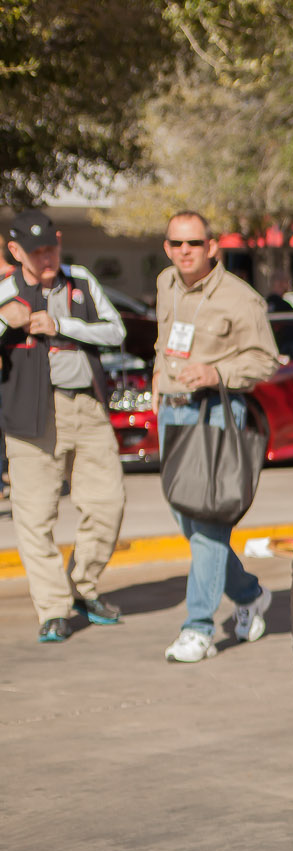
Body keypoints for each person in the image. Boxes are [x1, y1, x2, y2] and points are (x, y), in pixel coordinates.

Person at [152, 211, 278, 663]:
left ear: (212, 247)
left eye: (194, 243)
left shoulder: (240, 298)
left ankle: (198, 628)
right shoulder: (167, 283)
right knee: (187, 520)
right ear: (167, 247)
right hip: (173, 414)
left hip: (217, 413)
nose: (185, 251)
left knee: (207, 524)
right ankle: (249, 595)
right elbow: (164, 344)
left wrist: (216, 371)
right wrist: (156, 395)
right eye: (176, 243)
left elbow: (266, 360)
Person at [0, 209, 128, 643]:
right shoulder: (6, 290)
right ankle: (53, 609)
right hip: (30, 415)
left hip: (87, 408)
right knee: (35, 518)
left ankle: (82, 587)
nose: (46, 256)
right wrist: (6, 319)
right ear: (15, 251)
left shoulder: (81, 280)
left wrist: (62, 326)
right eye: (35, 251)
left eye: (50, 246)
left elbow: (116, 331)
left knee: (108, 503)